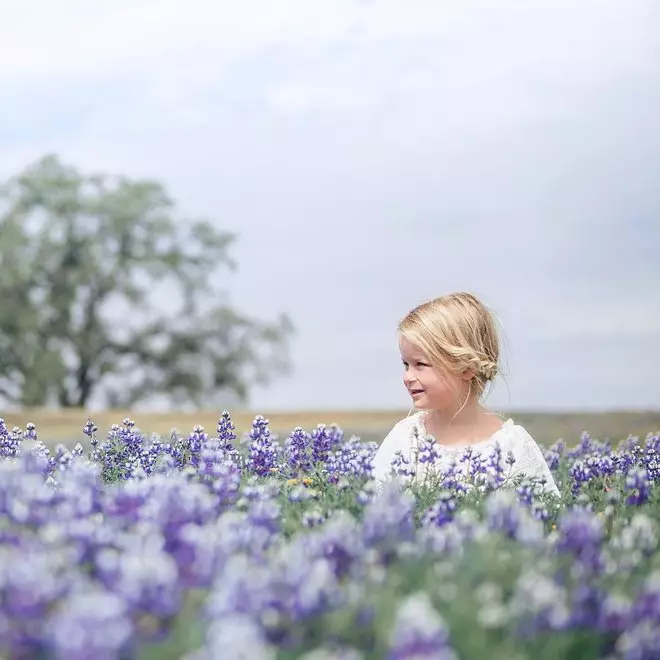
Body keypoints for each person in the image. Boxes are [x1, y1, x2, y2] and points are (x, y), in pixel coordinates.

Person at [372, 292, 560, 497]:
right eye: (406, 364)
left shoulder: (512, 446)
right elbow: (372, 506)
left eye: (420, 364)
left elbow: (547, 516)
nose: (408, 376)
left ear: (466, 368)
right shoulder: (406, 438)